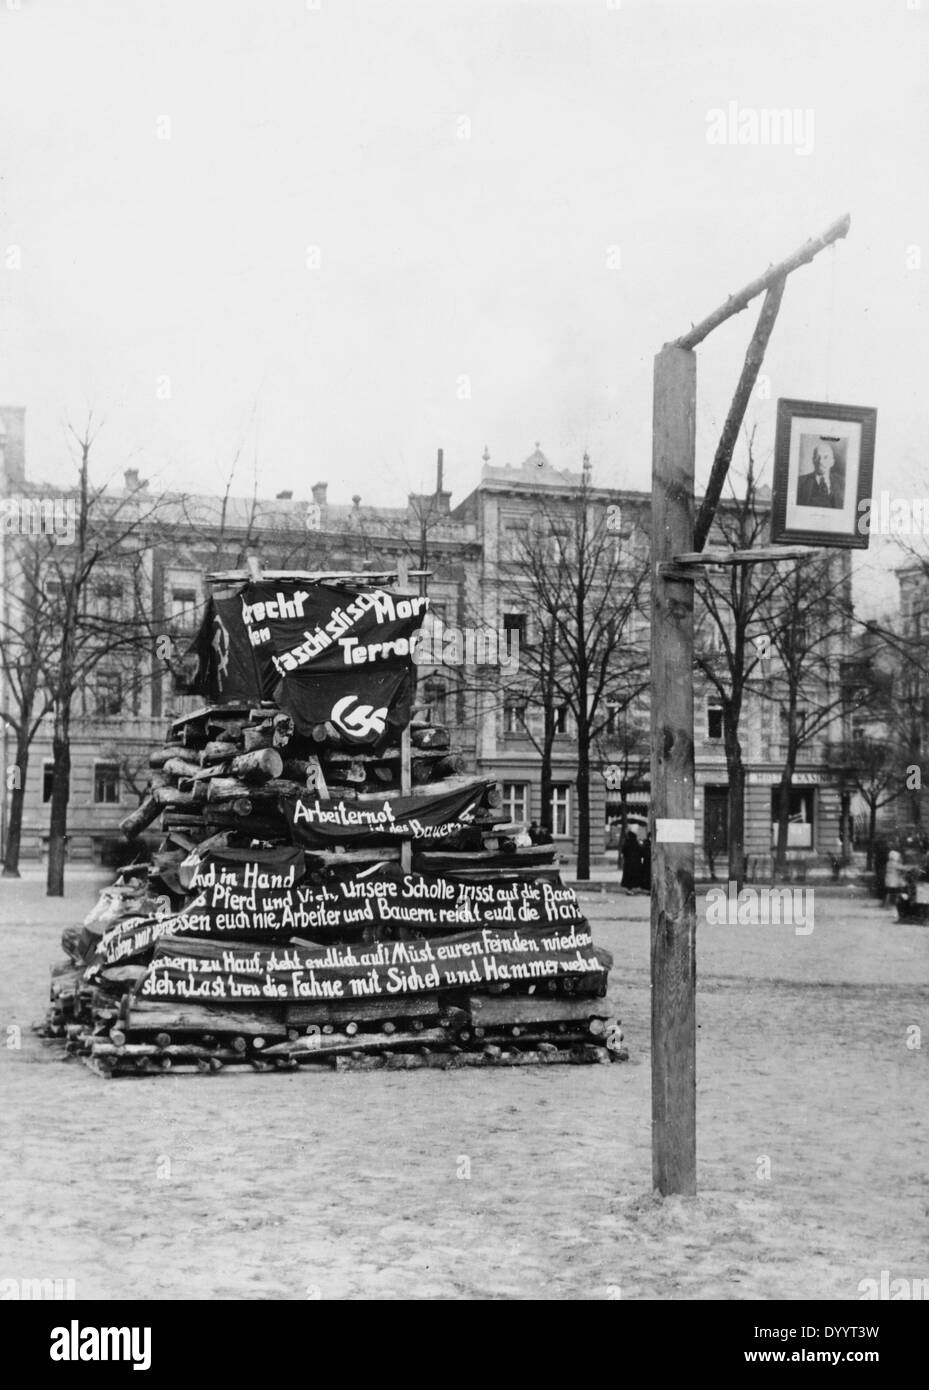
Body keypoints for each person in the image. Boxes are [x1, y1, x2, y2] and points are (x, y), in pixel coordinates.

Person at [796, 442, 844, 508]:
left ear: (832, 462)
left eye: (825, 457)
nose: (821, 461)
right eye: (818, 457)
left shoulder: (842, 483)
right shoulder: (800, 482)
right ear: (813, 460)